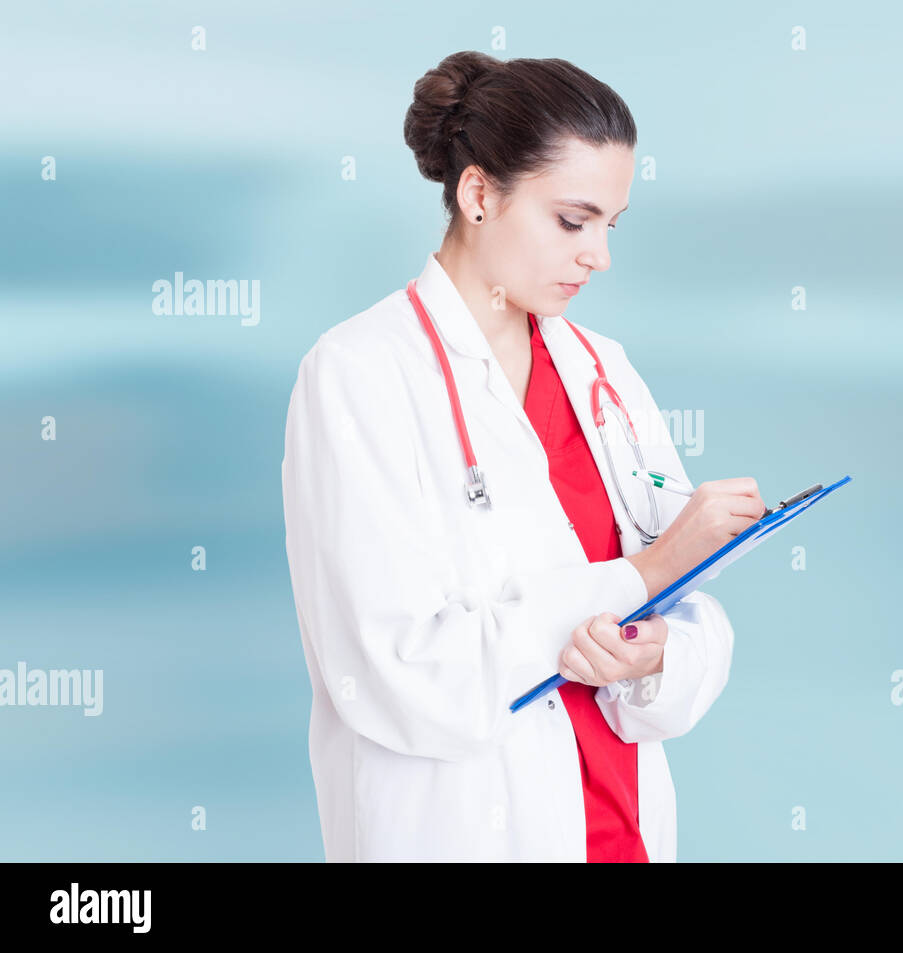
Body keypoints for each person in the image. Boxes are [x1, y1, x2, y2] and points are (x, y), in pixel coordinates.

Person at [281, 50, 765, 862]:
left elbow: (698, 618)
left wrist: (653, 657)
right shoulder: (359, 373)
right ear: (478, 194)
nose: (599, 256)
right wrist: (640, 577)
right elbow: (401, 673)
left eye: (611, 226)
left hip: (623, 833)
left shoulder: (603, 370)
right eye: (573, 222)